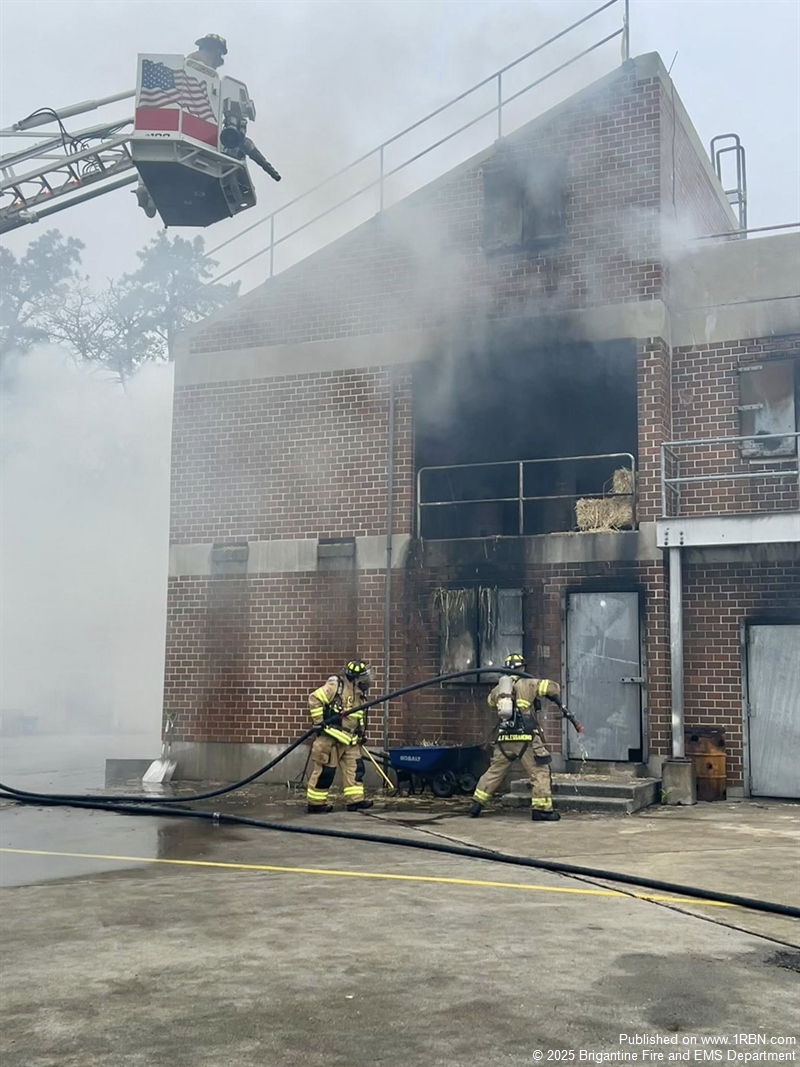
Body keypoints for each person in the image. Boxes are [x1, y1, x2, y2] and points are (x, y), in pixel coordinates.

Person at [469, 653, 584, 822]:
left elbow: (490, 702)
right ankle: (542, 810)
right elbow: (554, 688)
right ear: (522, 668)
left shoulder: (498, 690)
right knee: (540, 772)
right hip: (526, 739)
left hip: (504, 740)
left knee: (494, 772)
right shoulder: (529, 683)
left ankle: (477, 803)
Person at [306, 659, 374, 814]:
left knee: (355, 770)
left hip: (350, 739)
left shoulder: (358, 693)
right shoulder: (336, 685)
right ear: (354, 677)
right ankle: (315, 803)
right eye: (363, 678)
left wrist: (361, 733)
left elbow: (358, 717)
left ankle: (355, 801)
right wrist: (320, 722)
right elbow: (314, 698)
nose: (367, 681)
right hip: (331, 737)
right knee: (325, 772)